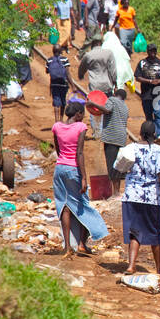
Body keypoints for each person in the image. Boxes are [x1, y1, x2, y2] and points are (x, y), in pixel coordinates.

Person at [52, 101, 109, 257]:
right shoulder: (80, 127)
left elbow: (57, 148)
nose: (83, 117)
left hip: (60, 168)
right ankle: (82, 244)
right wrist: (83, 177)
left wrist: (63, 160)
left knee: (64, 205)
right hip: (74, 169)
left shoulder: (57, 127)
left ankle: (67, 247)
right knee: (82, 204)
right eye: (82, 114)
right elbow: (79, 153)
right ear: (77, 114)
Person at [121, 120, 160, 275]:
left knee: (134, 231)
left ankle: (131, 265)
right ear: (153, 135)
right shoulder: (158, 151)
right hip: (151, 198)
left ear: (140, 133)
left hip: (131, 196)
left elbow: (120, 168)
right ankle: (159, 268)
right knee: (155, 232)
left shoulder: (130, 148)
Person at [95, 87, 130, 185]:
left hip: (111, 137)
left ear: (115, 94)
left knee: (111, 167)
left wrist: (93, 104)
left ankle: (115, 193)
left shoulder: (112, 100)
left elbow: (107, 109)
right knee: (118, 166)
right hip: (121, 138)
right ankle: (117, 191)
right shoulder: (125, 106)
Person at [133, 46, 160, 142]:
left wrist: (159, 80)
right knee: (148, 115)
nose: (153, 52)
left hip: (158, 92)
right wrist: (149, 81)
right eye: (151, 51)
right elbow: (137, 77)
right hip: (146, 93)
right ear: (147, 52)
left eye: (154, 51)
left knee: (158, 113)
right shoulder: (142, 63)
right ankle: (150, 134)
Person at [46, 44, 71, 123]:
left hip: (54, 84)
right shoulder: (65, 59)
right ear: (60, 51)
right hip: (63, 84)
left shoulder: (49, 60)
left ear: (53, 51)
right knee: (63, 101)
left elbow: (47, 71)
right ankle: (61, 119)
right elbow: (67, 73)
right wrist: (73, 85)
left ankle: (56, 121)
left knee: (56, 102)